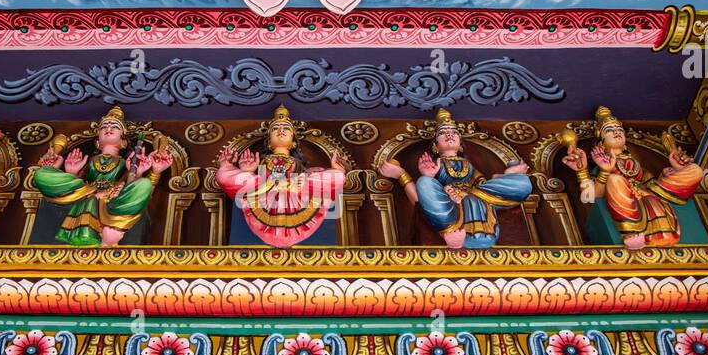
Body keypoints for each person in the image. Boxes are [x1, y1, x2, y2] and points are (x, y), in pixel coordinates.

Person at [378, 108, 532, 248]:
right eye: (443, 133)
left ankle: (504, 176)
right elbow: (419, 200)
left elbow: (483, 185)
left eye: (454, 132)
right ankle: (451, 232)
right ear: (435, 147)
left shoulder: (469, 165)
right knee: (424, 183)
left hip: (477, 196)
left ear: (461, 144)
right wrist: (407, 175)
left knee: (524, 183)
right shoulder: (435, 165)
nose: (449, 135)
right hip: (449, 204)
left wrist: (500, 180)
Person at [561, 106, 703, 248]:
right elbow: (589, 197)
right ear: (601, 142)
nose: (616, 132)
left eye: (619, 129)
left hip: (649, 195)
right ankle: (631, 234)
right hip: (626, 203)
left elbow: (653, 185)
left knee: (695, 170)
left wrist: (675, 170)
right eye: (609, 130)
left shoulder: (637, 166)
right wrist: (600, 171)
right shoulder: (602, 168)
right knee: (614, 179)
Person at [33, 106, 171, 246]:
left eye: (115, 126)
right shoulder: (89, 161)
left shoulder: (126, 163)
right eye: (104, 126)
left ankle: (112, 231)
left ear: (123, 141)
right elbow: (73, 189)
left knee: (144, 185)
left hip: (111, 205)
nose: (109, 128)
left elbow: (140, 193)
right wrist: (71, 172)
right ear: (97, 140)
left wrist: (148, 171)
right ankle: (103, 215)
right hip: (84, 196)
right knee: (41, 174)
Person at [216, 104, 347, 247]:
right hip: (263, 200)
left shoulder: (302, 167)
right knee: (224, 175)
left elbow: (326, 180)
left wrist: (335, 171)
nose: (280, 131)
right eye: (275, 129)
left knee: (338, 176)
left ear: (293, 142)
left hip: (298, 200)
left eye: (286, 128)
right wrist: (246, 172)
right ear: (268, 141)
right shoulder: (262, 163)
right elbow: (234, 181)